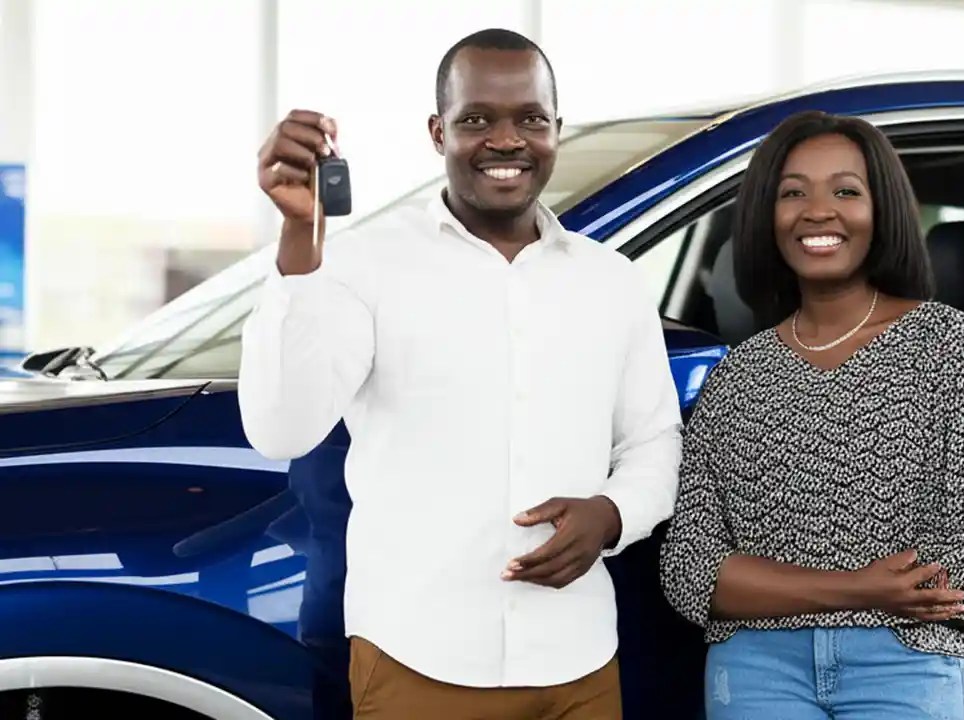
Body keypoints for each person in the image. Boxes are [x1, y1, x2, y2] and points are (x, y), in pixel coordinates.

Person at [239, 28, 683, 720]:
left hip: (578, 661)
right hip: (418, 659)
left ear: (555, 131)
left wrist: (612, 514)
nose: (506, 140)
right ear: (437, 130)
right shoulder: (364, 264)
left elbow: (655, 442)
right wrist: (299, 242)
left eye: (530, 119)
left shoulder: (613, 282)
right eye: (477, 119)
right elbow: (280, 428)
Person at [658, 110, 964, 720]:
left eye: (846, 191)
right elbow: (690, 573)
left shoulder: (947, 346)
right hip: (756, 671)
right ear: (765, 217)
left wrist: (771, 586)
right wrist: (864, 588)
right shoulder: (739, 376)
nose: (818, 210)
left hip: (905, 663)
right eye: (792, 192)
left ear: (881, 212)